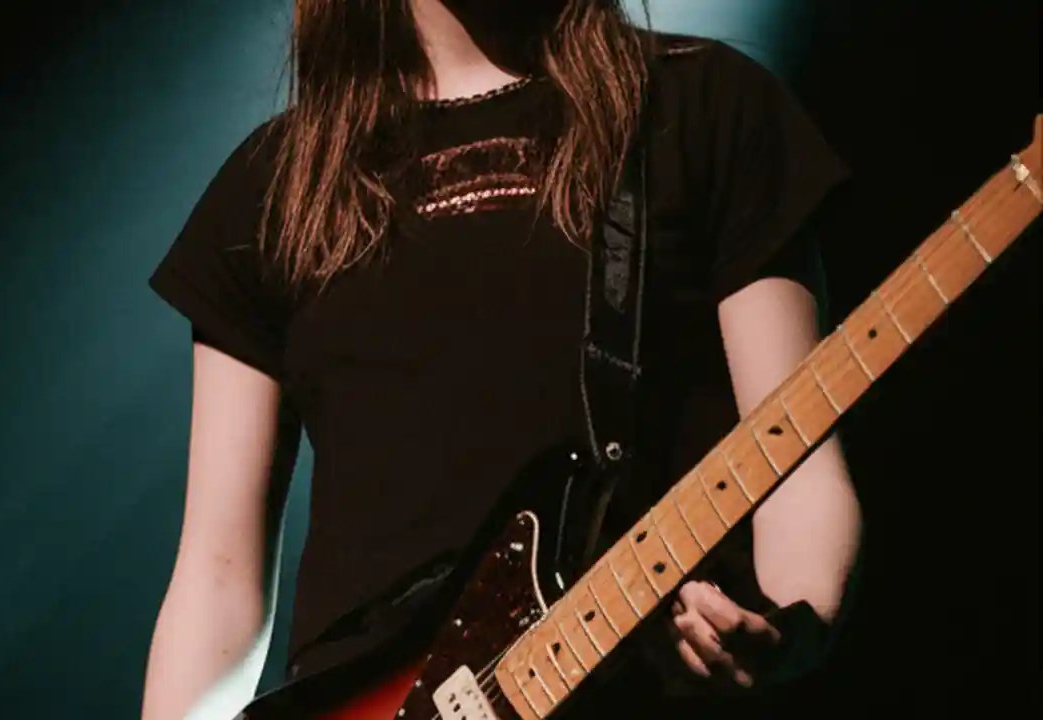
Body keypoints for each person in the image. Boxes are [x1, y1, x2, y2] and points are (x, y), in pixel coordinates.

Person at [142, 0, 863, 717]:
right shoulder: (275, 184)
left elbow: (797, 457)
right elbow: (216, 576)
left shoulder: (700, 104)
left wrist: (791, 629)